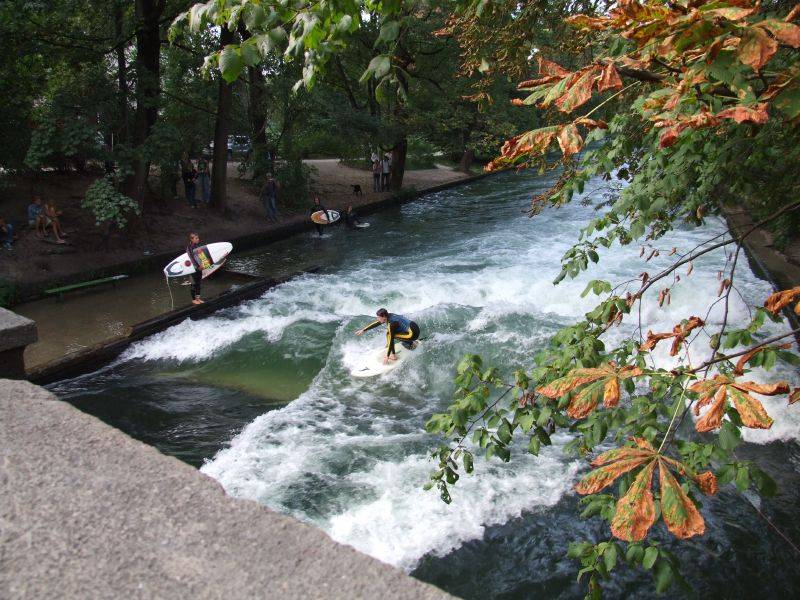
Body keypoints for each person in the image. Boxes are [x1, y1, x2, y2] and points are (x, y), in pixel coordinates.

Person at [356, 308, 420, 364]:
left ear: (384, 316)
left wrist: (387, 356)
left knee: (389, 335)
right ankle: (410, 343)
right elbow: (377, 323)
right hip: (415, 327)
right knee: (391, 333)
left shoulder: (392, 324)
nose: (377, 318)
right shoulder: (389, 316)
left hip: (413, 334)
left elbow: (391, 340)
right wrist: (363, 330)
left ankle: (395, 355)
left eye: (378, 317)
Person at [186, 232, 204, 305]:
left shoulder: (197, 246)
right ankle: (193, 299)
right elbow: (192, 258)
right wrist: (198, 266)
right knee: (193, 283)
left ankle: (198, 298)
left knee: (198, 283)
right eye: (196, 238)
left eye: (198, 238)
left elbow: (201, 256)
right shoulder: (189, 247)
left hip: (199, 267)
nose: (198, 239)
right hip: (193, 268)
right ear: (191, 239)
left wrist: (203, 264)